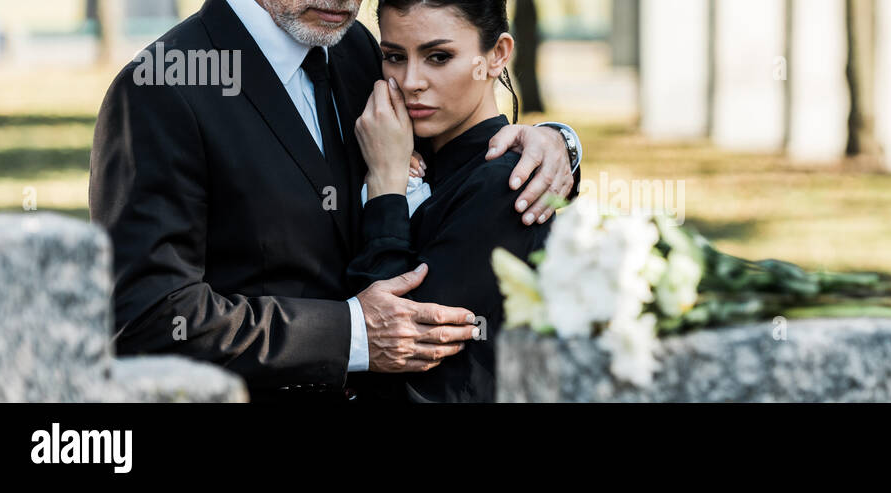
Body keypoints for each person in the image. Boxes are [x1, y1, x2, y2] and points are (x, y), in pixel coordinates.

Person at [89, 0, 581, 401]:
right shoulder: (160, 88)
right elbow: (147, 320)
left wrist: (555, 142)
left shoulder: (354, 48)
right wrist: (351, 333)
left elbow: (458, 151)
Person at [345, 0, 549, 402]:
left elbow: (395, 348)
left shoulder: (508, 184)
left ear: (497, 55)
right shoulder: (393, 149)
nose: (410, 81)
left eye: (439, 57)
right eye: (394, 57)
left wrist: (386, 187)